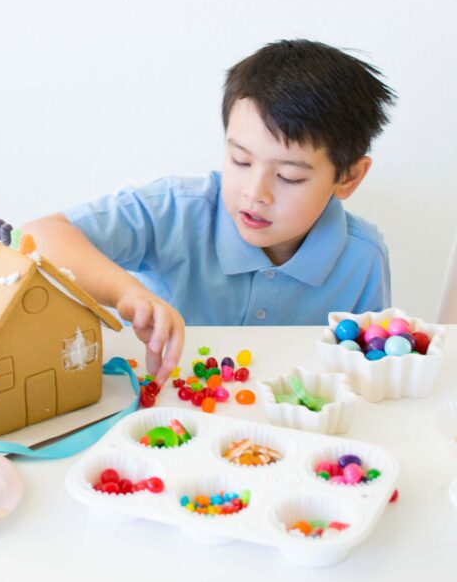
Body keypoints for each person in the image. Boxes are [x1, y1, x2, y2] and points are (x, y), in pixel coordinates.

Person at [22, 40, 396, 384]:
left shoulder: (363, 258)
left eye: (288, 176)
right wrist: (126, 292)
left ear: (348, 177)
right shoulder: (177, 210)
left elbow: (366, 373)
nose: (255, 193)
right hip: (167, 412)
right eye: (240, 160)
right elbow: (38, 236)